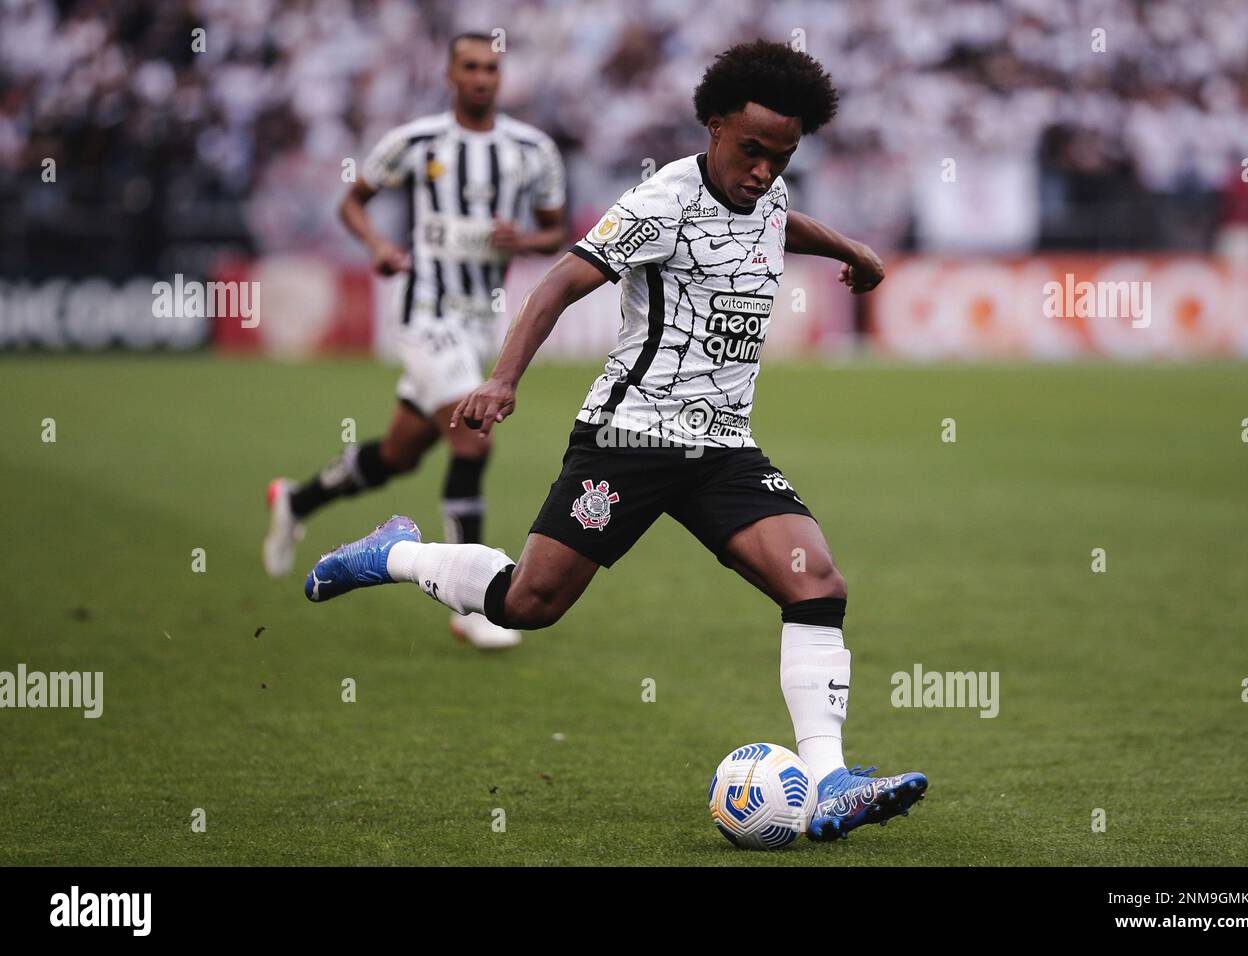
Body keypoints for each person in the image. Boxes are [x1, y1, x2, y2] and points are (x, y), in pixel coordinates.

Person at [303, 40, 927, 841]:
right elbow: (563, 278)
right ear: (713, 126)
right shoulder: (660, 201)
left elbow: (779, 220)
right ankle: (394, 552)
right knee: (529, 603)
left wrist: (849, 247)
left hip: (722, 448)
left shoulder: (764, 192)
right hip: (628, 441)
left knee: (818, 585)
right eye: (752, 151)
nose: (766, 171)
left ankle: (831, 778)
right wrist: (502, 379)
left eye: (782, 156)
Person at [264, 32, 567, 650]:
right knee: (472, 440)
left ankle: (296, 499)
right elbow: (354, 202)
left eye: (491, 68)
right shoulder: (416, 141)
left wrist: (526, 242)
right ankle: (472, 607)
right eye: (471, 68)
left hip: (479, 321)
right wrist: (377, 247)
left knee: (401, 454)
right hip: (424, 315)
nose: (482, 78)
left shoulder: (531, 150)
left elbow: (556, 229)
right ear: (451, 75)